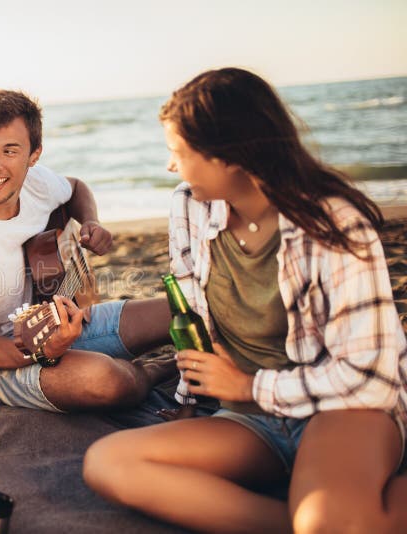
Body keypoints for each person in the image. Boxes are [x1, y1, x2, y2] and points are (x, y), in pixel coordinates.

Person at [83, 68, 407, 532]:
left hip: (342, 410)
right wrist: (193, 398)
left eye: (179, 153)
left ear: (227, 156)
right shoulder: (189, 206)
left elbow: (370, 377)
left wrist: (249, 387)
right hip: (251, 421)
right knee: (108, 462)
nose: (171, 167)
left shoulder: (335, 225)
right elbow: (193, 315)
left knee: (323, 522)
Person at [0, 90, 176, 413]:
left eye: (10, 151)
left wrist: (91, 221)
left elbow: (76, 188)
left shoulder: (36, 182)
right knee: (110, 381)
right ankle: (161, 369)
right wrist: (45, 351)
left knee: (180, 311)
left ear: (34, 155)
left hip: (56, 314)